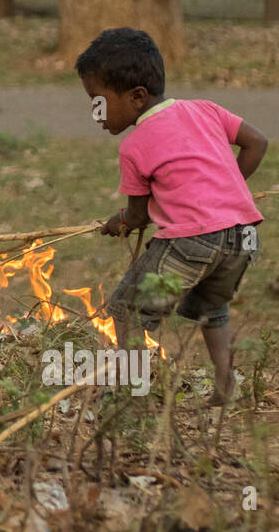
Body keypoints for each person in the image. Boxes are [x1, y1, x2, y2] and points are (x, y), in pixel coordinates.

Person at [77, 27, 268, 406]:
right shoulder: (204, 109)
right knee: (211, 305)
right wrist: (226, 190)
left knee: (127, 307)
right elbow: (257, 141)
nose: (94, 113)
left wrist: (120, 222)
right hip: (243, 237)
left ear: (136, 98)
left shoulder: (134, 146)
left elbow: (137, 214)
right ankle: (225, 385)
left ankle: (132, 397)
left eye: (98, 102)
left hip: (193, 240)